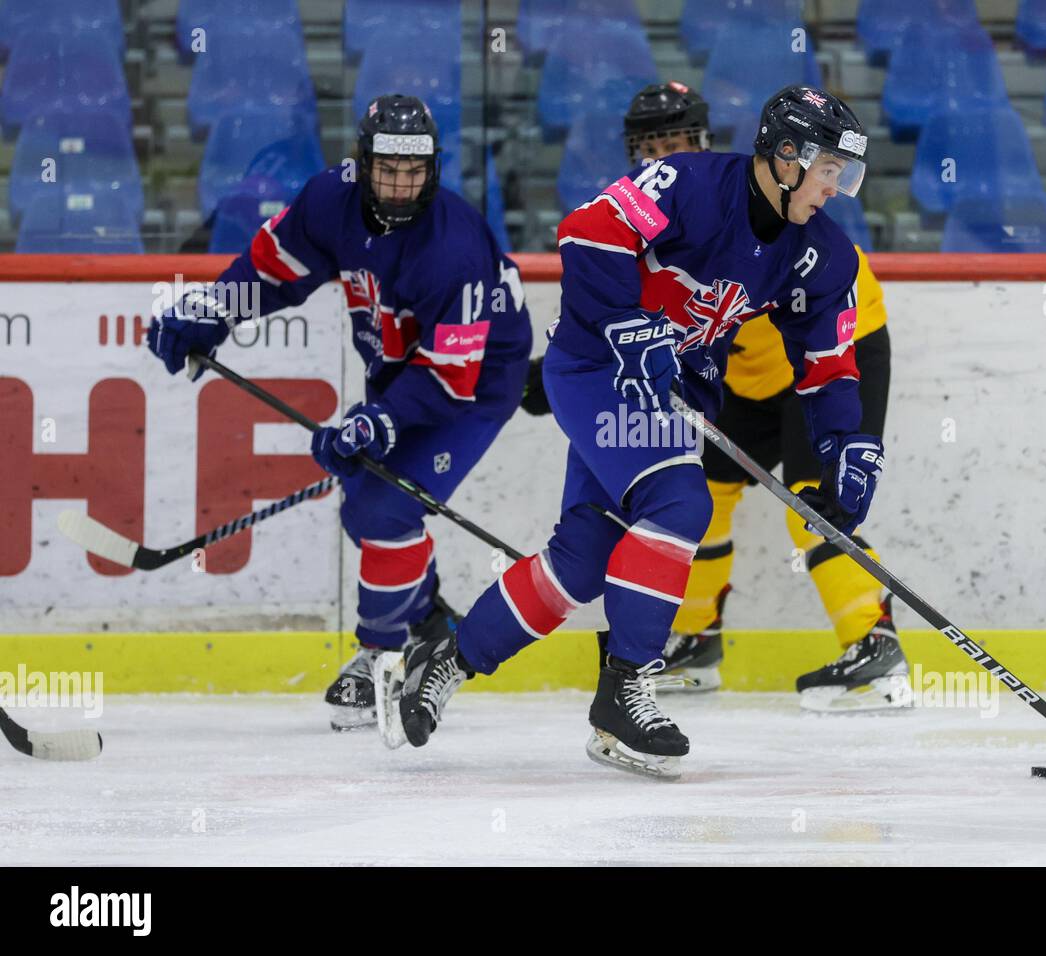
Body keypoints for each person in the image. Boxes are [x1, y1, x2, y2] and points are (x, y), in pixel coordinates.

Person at [399, 85, 880, 777]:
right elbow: (588, 229)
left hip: (674, 387)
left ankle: (447, 658)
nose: (836, 188)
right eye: (829, 170)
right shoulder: (690, 183)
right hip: (598, 366)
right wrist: (628, 321)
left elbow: (829, 366)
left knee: (582, 561)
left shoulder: (822, 254)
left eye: (844, 174)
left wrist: (848, 446)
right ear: (783, 156)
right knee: (681, 502)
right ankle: (625, 689)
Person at [145, 94, 532, 732]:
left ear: (432, 170)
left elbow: (446, 379)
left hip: (475, 379)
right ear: (362, 162)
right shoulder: (331, 199)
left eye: (415, 173)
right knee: (367, 499)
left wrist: (376, 423)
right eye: (388, 170)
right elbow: (271, 270)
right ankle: (430, 620)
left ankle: (382, 653)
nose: (401, 187)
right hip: (402, 363)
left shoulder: (454, 246)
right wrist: (211, 313)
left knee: (384, 506)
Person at [524, 82, 912, 712]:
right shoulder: (674, 204)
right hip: (741, 375)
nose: (662, 153)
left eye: (674, 142)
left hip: (833, 355)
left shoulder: (747, 205)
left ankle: (875, 641)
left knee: (811, 501)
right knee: (709, 489)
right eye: (649, 144)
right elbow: (647, 302)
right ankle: (698, 639)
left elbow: (775, 322)